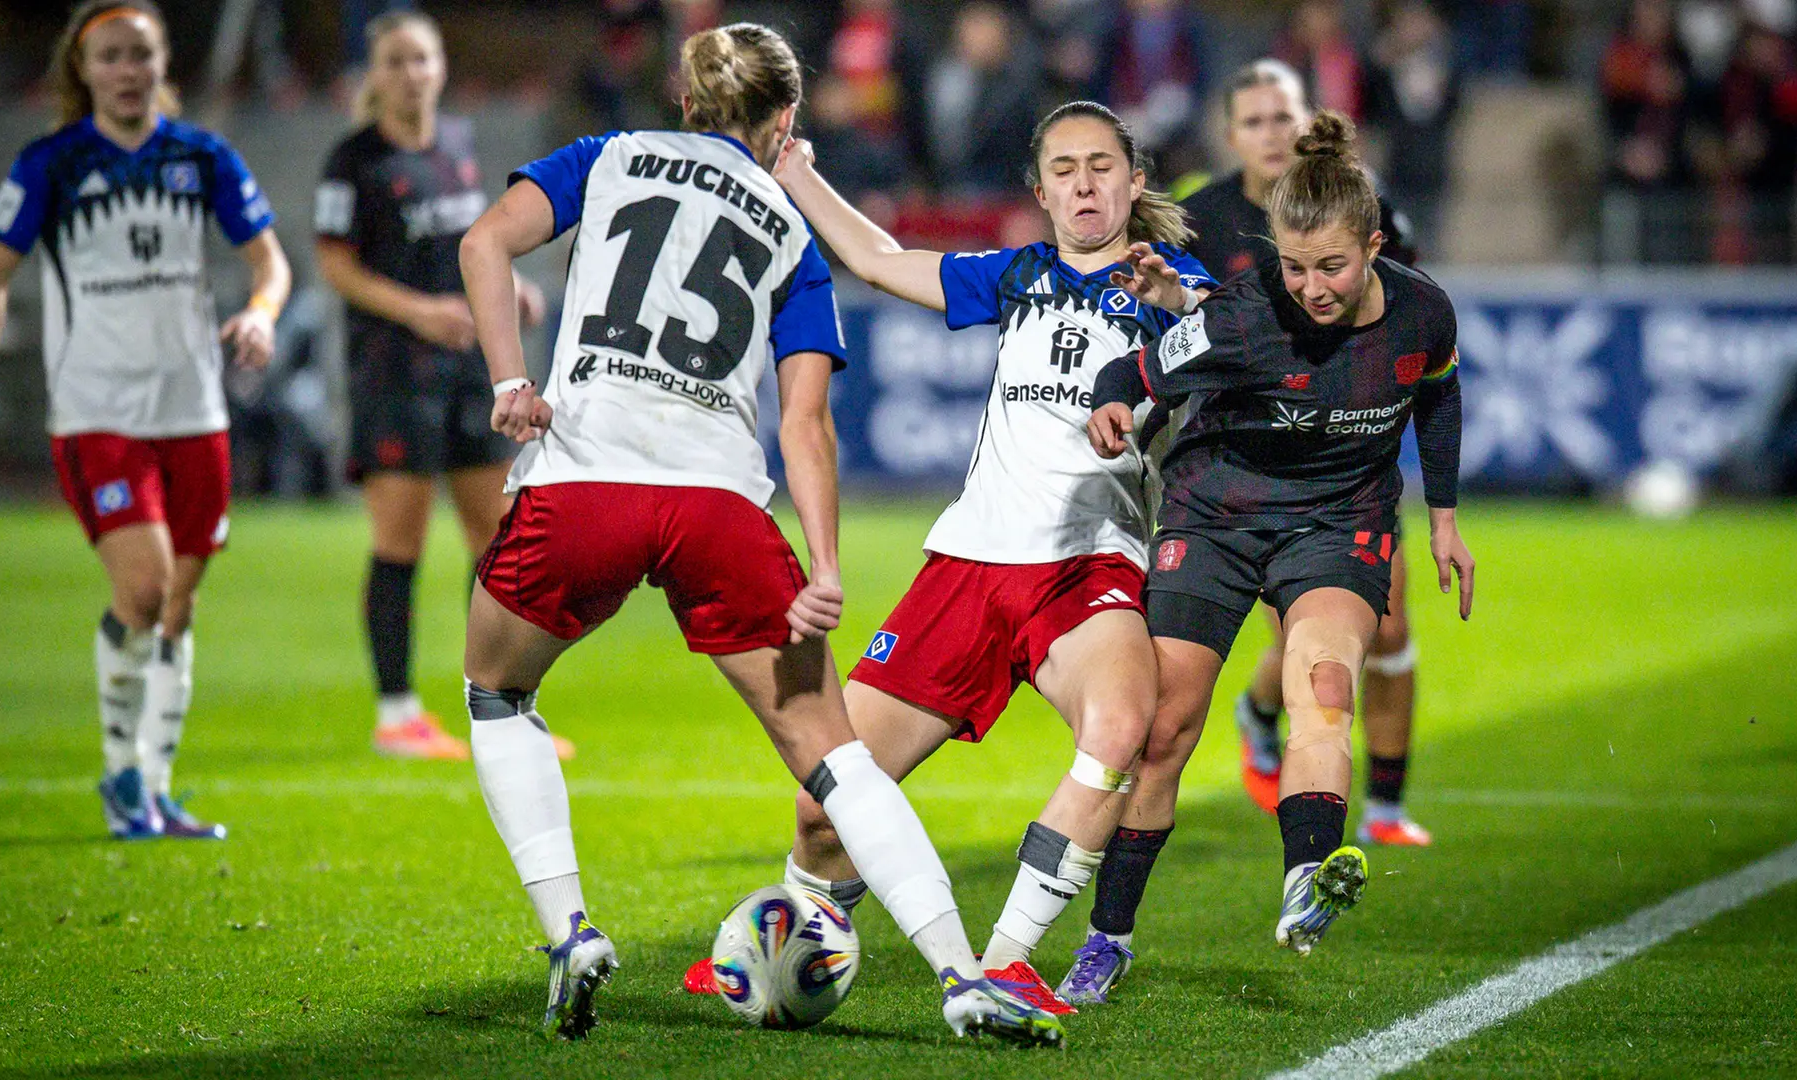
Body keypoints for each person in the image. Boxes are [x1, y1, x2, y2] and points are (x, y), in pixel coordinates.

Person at [454, 23, 1063, 1046]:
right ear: (787, 121)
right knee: (836, 762)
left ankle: (569, 932)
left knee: (495, 691)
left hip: (586, 480)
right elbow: (804, 422)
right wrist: (823, 564)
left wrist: (512, 380)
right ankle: (962, 978)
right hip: (719, 509)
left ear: (688, 104)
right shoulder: (790, 226)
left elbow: (482, 242)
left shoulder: (603, 159)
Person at [678, 99, 1216, 1014]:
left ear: (1133, 180)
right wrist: (797, 171)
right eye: (1064, 169)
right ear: (1041, 192)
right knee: (825, 802)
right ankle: (784, 938)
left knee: (1119, 729)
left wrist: (1180, 305)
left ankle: (1006, 961)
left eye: (1101, 166)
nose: (1084, 184)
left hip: (1088, 566)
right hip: (967, 564)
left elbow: (1224, 347)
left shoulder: (1178, 285)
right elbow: (881, 262)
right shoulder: (1017, 276)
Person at [1067, 111, 1473, 997]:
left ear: (1373, 245)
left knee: (1323, 686)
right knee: (1163, 729)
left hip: (1339, 521)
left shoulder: (1424, 312)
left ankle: (1305, 880)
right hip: (1215, 515)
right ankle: (1107, 937)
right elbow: (1131, 375)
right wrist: (1109, 408)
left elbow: (1438, 399)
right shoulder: (1245, 319)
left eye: (1331, 266)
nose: (1312, 287)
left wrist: (1442, 516)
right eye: (1294, 267)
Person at [0, 0, 292, 840]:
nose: (128, 71)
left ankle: (154, 789)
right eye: (111, 57)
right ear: (82, 71)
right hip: (98, 411)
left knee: (179, 605)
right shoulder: (52, 162)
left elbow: (268, 261)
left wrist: (264, 312)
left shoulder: (200, 157)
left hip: (194, 409)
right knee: (144, 587)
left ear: (163, 66)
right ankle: (120, 775)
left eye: (141, 55)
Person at [1179, 59, 1432, 850]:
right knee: (1315, 624)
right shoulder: (1198, 220)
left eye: (1282, 116)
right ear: (1230, 136)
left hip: (1350, 453)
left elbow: (1408, 317)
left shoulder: (1366, 205)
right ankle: (1270, 719)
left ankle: (1383, 807)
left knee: (1382, 625)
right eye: (1253, 120)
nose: (1270, 133)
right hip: (1245, 467)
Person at [314, 11, 571, 762]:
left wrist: (511, 282)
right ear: (376, 73)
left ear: (441, 67)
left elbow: (469, 244)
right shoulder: (352, 160)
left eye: (421, 60)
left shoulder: (457, 146)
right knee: (400, 542)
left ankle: (495, 709)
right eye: (395, 61)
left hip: (465, 374)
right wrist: (420, 312)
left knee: (494, 539)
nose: (410, 74)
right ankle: (396, 714)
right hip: (392, 373)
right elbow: (334, 265)